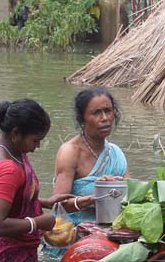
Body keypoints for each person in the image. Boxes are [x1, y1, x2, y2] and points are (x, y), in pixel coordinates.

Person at [0, 100, 70, 262]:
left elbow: (8, 199)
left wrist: (43, 202)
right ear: (16, 133)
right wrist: (37, 223)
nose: (37, 146)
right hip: (7, 260)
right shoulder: (8, 169)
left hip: (6, 252)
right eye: (35, 140)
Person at [51, 87, 129, 225]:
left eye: (108, 111)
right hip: (76, 230)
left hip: (115, 227)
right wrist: (96, 196)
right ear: (82, 119)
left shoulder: (115, 153)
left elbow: (130, 195)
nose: (104, 118)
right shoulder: (70, 152)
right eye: (96, 113)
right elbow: (58, 205)